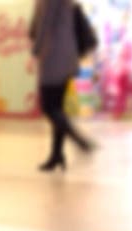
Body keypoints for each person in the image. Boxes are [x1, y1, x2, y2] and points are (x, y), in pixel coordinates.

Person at [30, 0, 94, 171]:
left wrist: (35, 52)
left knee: (48, 107)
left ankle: (77, 138)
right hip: (66, 57)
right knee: (57, 108)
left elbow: (45, 23)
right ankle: (57, 155)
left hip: (54, 57)